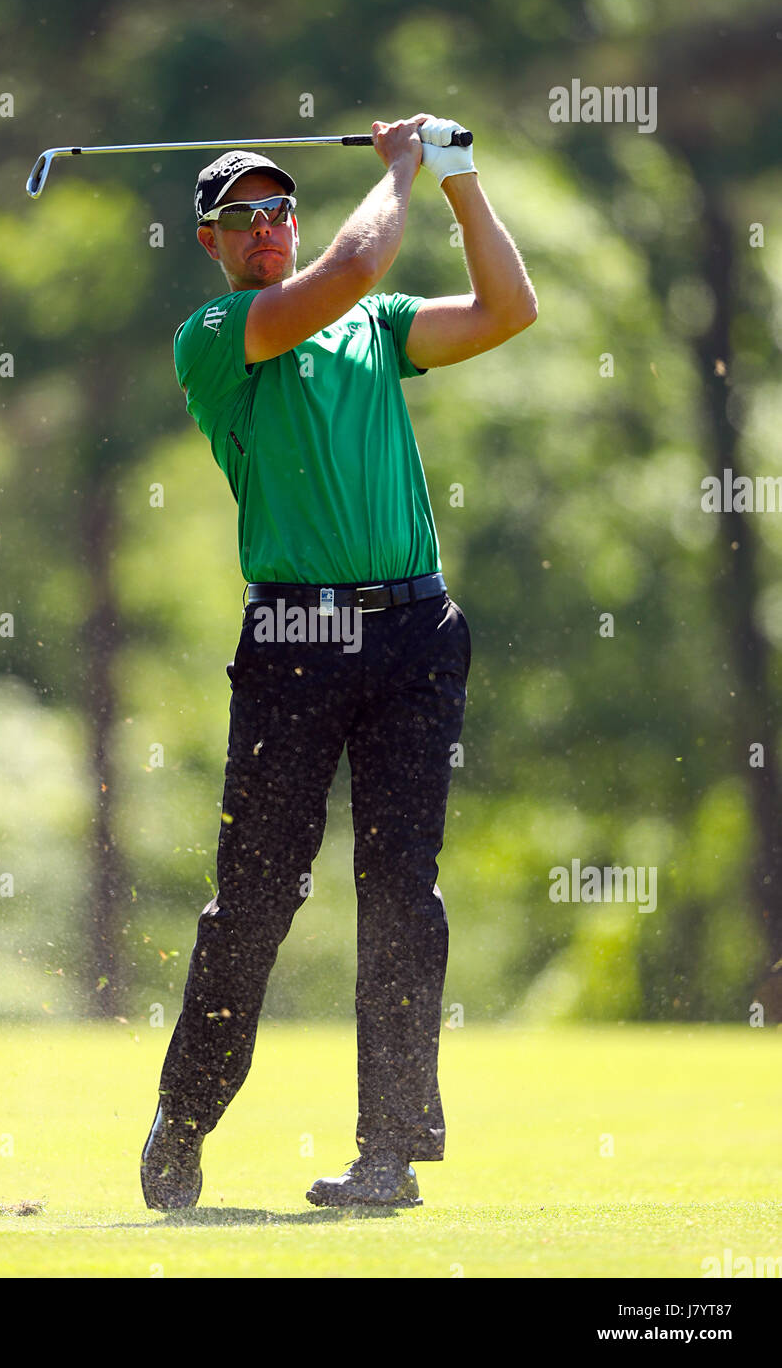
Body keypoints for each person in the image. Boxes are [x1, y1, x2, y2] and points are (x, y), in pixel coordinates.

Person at [140, 113, 536, 1210]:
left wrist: (457, 179)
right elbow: (352, 263)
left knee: (402, 892)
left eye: (279, 211)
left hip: (416, 634)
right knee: (256, 898)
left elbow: (511, 310)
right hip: (294, 645)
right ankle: (186, 1119)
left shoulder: (375, 328)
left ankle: (389, 1155)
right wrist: (401, 167)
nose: (266, 228)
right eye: (242, 218)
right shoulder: (219, 335)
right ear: (212, 244)